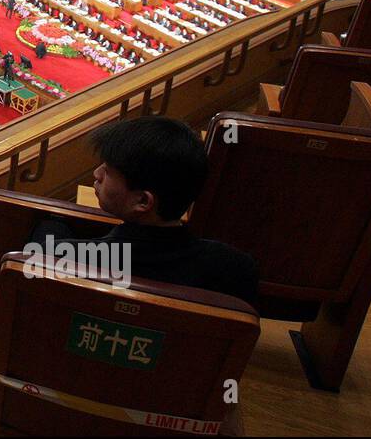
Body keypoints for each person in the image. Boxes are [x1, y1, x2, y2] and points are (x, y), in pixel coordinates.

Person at [30, 117, 259, 306]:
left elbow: (46, 247)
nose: (97, 174)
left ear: (142, 201)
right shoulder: (236, 269)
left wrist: (52, 223)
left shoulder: (60, 257)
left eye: (108, 171)